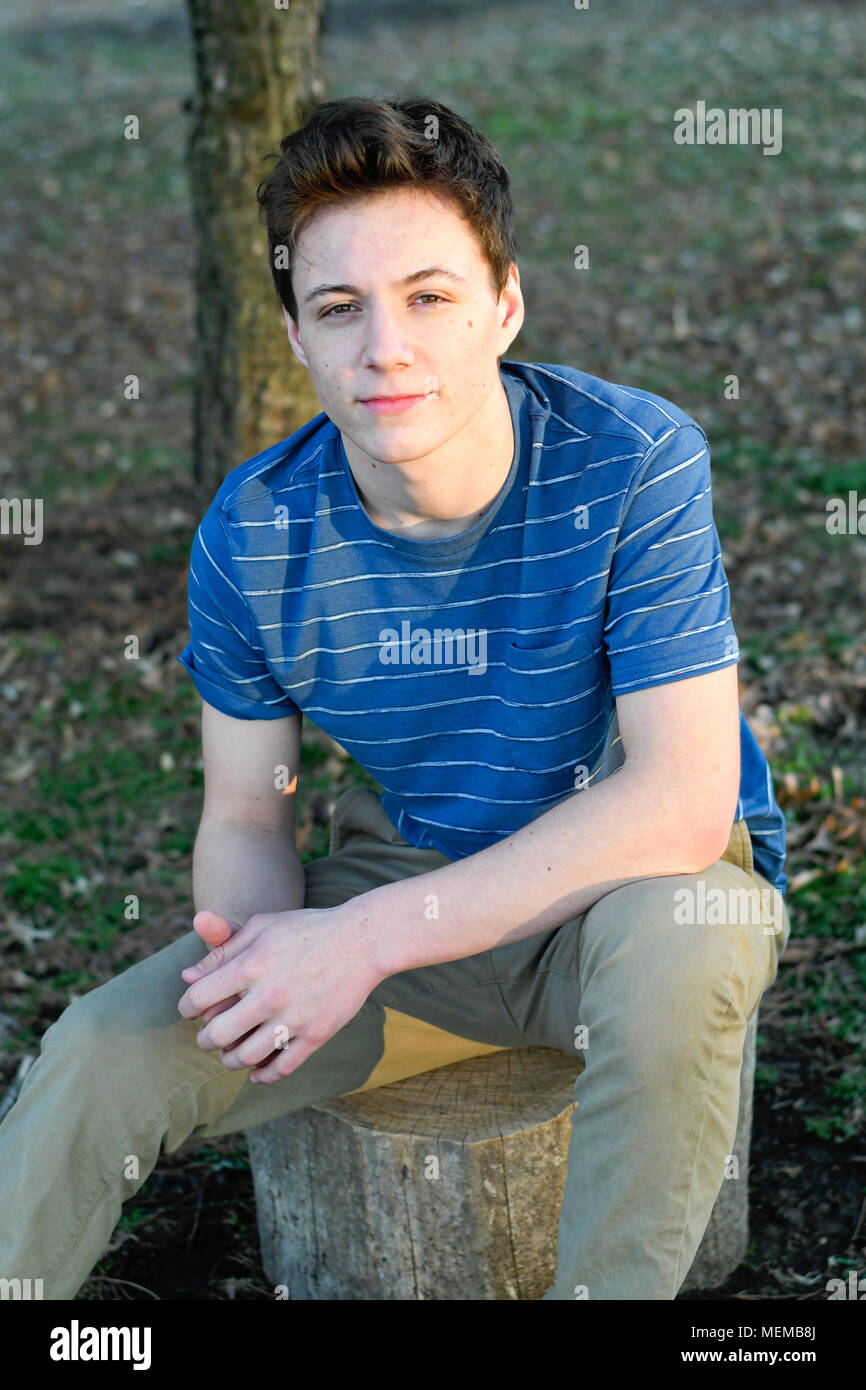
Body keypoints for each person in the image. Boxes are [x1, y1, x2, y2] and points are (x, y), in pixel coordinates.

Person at [0, 96, 789, 1301]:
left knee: (685, 950)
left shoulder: (632, 459)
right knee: (92, 1060)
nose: (386, 347)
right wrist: (256, 962)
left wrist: (354, 942)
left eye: (428, 296)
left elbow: (682, 803)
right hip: (409, 887)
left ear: (503, 305)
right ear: (295, 334)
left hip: (628, 902)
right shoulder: (254, 531)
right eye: (338, 307)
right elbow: (249, 814)